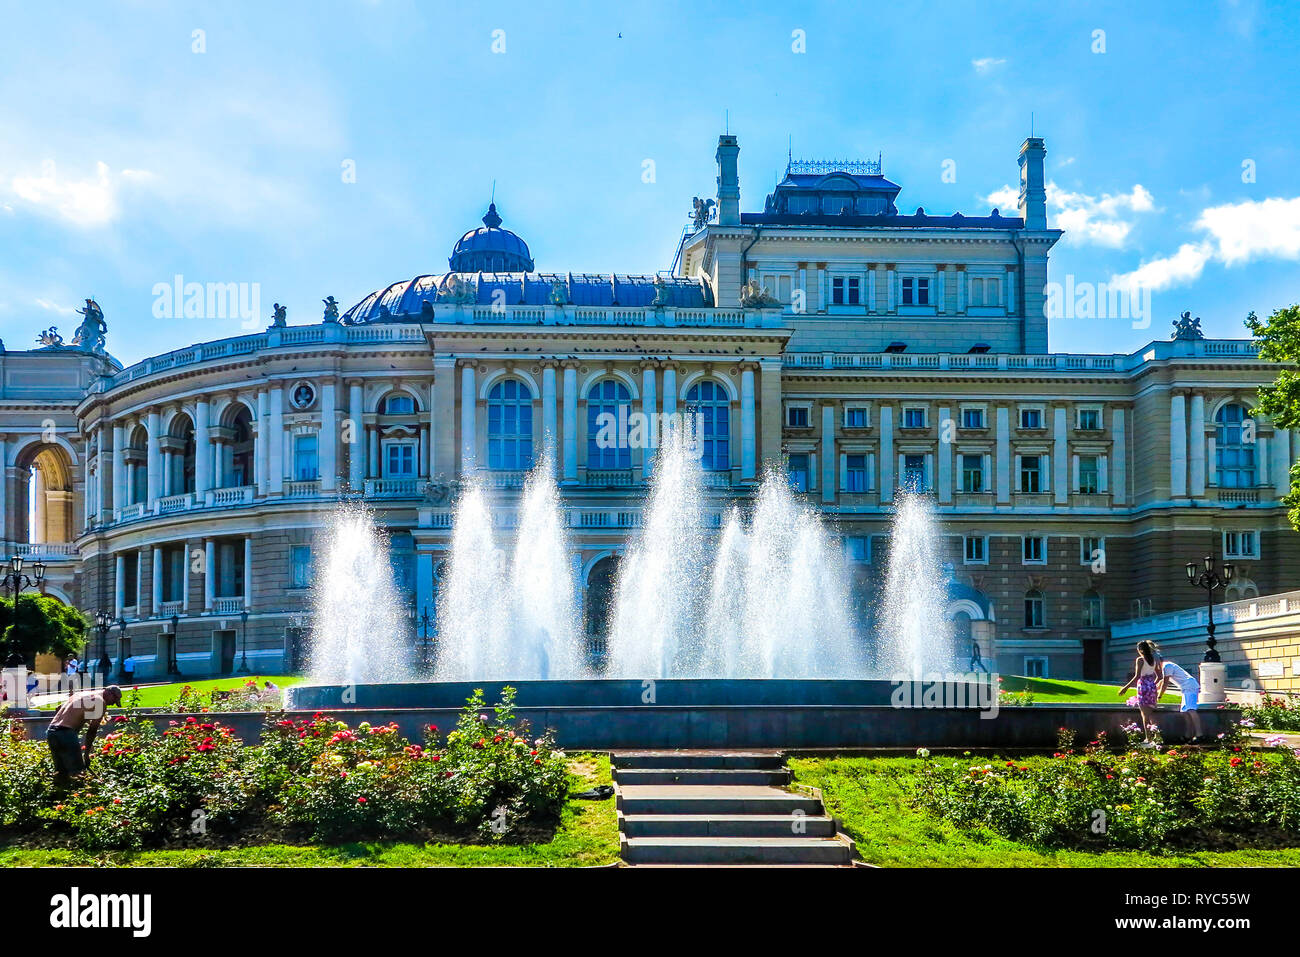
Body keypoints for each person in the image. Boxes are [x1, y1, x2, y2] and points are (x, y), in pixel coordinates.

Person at [46, 685, 122, 786]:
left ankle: (58, 798)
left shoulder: (80, 694)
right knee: (78, 773)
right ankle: (80, 796)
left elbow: (58, 708)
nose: (112, 704)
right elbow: (92, 730)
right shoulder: (100, 702)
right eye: (114, 701)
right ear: (109, 693)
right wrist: (86, 754)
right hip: (66, 733)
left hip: (52, 732)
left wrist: (78, 719)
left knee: (61, 773)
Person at [1117, 640, 1163, 746]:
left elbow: (1137, 676)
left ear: (1140, 650)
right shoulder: (1154, 659)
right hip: (1152, 687)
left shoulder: (1140, 660)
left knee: (1144, 715)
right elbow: (1160, 676)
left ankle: (1148, 739)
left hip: (1143, 687)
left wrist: (1125, 688)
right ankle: (1156, 736)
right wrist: (1151, 684)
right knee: (1150, 713)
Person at [1157, 658, 1204, 742]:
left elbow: (1165, 683)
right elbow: (1162, 681)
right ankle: (1188, 735)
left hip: (1189, 687)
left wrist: (1159, 696)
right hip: (1186, 688)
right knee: (1185, 712)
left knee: (1191, 710)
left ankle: (1199, 734)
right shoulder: (1168, 666)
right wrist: (1154, 687)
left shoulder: (1166, 666)